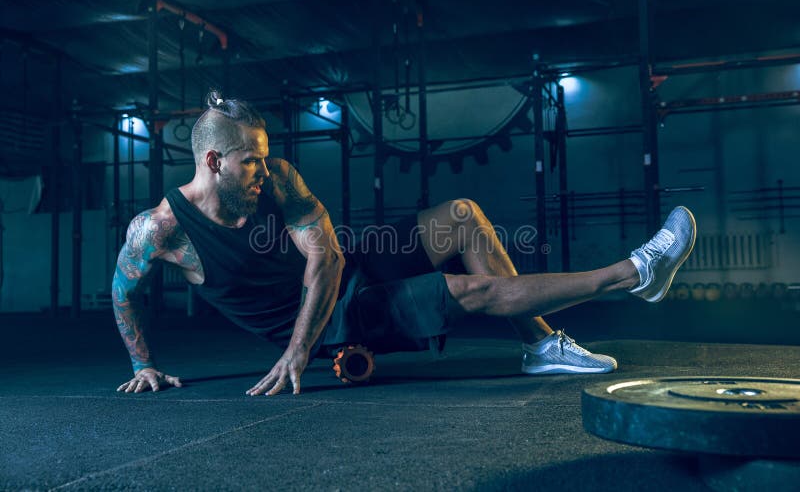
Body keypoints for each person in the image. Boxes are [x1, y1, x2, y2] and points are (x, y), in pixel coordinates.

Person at [112, 91, 697, 396]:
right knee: (470, 290)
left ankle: (540, 347)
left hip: (347, 270)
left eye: (265, 159)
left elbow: (326, 256)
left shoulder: (279, 178)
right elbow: (123, 293)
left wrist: (296, 347)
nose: (263, 171)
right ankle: (634, 274)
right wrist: (144, 364)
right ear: (214, 161)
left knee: (462, 215)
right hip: (333, 321)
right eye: (250, 162)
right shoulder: (158, 231)